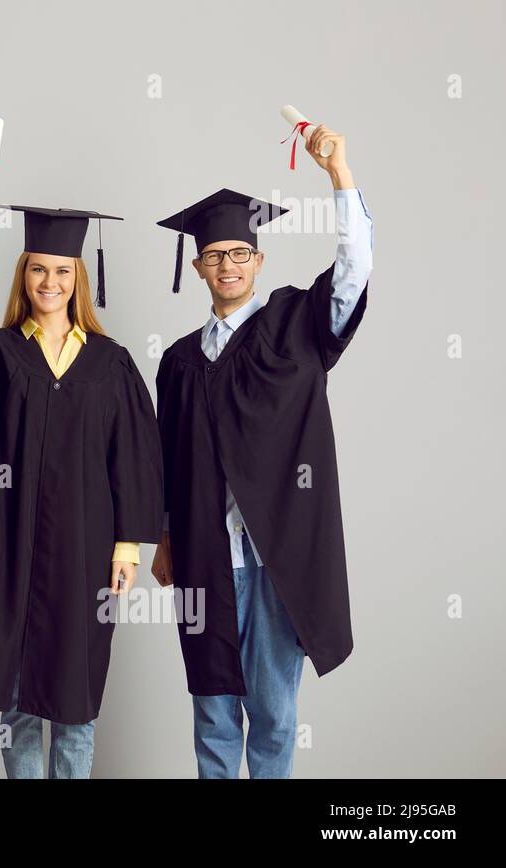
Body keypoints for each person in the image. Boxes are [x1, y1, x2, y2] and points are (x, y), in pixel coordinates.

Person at [152, 125, 372, 779]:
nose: (228, 265)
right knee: (214, 719)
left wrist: (340, 174)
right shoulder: (180, 361)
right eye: (215, 255)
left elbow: (355, 271)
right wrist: (163, 535)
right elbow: (165, 457)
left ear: (259, 260)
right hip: (204, 554)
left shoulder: (296, 326)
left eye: (239, 253)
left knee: (275, 719)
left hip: (277, 556)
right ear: (197, 266)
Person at [0, 190, 164, 778]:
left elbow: (134, 458)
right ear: (24, 274)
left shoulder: (110, 364)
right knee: (16, 706)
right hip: (7, 552)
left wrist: (126, 547)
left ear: (78, 278)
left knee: (77, 705)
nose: (50, 280)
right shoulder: (3, 353)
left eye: (62, 270)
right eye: (39, 268)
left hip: (83, 557)